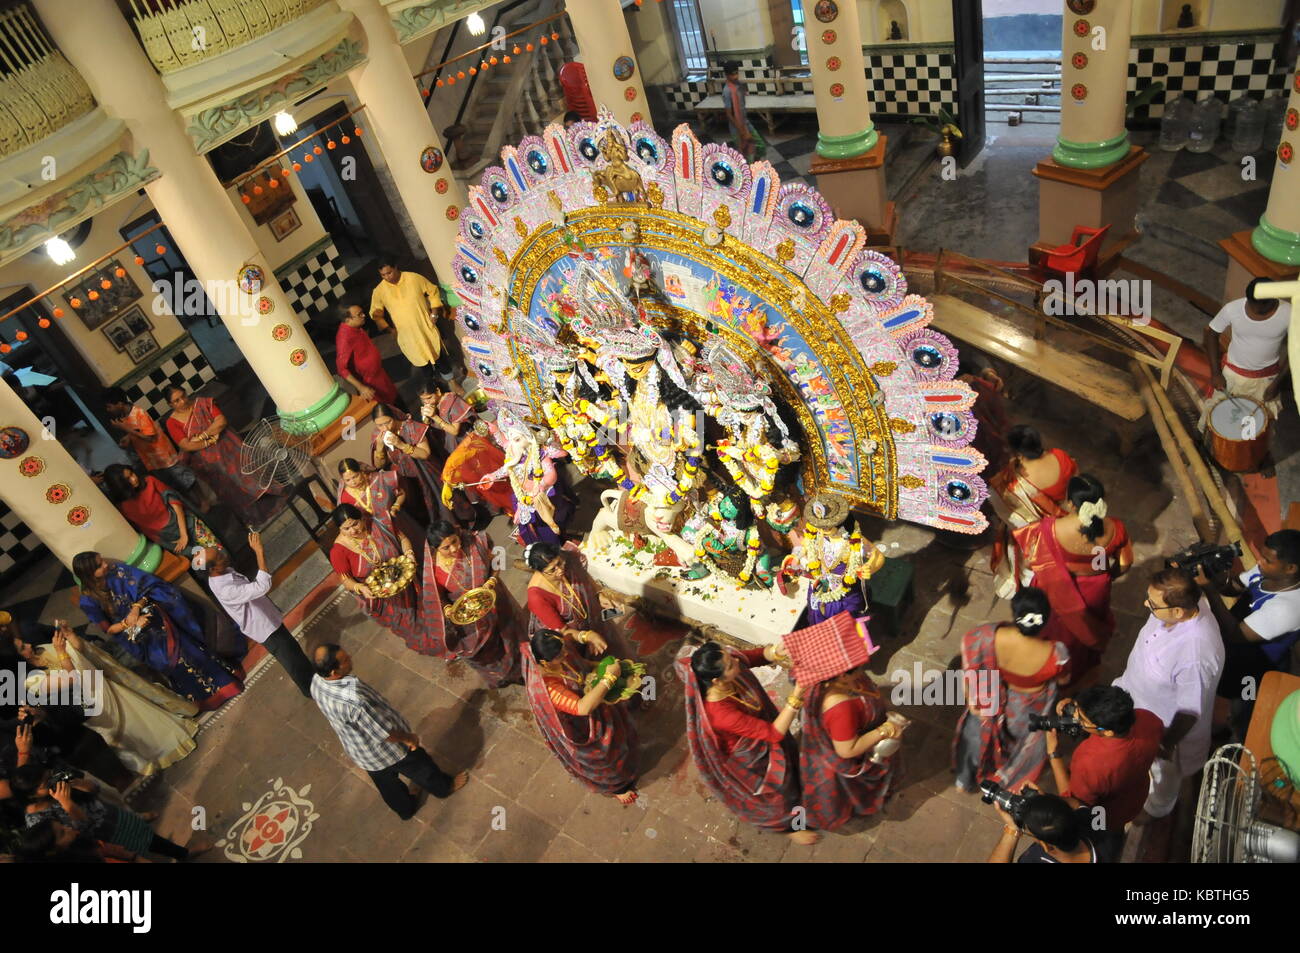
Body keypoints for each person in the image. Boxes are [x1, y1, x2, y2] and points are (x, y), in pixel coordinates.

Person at [679, 641, 818, 845]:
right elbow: (773, 733)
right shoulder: (720, 713)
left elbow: (752, 657)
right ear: (717, 681)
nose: (736, 660)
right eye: (730, 664)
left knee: (791, 765)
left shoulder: (730, 668)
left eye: (730, 657)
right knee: (779, 791)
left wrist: (775, 651)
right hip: (753, 756)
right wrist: (797, 696)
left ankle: (801, 791)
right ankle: (789, 826)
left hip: (764, 732)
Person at [16, 622, 198, 777]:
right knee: (130, 727)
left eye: (24, 642)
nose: (28, 645)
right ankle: (154, 756)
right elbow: (72, 678)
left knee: (138, 713)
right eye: (23, 647)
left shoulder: (42, 650)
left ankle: (170, 738)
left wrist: (70, 635)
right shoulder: (32, 680)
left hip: (103, 686)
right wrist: (60, 651)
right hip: (91, 705)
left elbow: (80, 654)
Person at [1112, 567, 1223, 820]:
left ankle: (1157, 809)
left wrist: (1166, 742)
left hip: (1165, 730)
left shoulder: (1195, 654)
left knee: (1163, 775)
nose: (1145, 604)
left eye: (1152, 603)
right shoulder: (1179, 607)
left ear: (1177, 612)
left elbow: (1190, 709)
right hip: (1136, 700)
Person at [311, 643, 468, 819]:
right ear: (334, 672)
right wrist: (408, 738)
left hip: (361, 752)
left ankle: (405, 809)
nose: (350, 659)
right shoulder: (353, 701)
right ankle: (444, 787)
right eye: (346, 660)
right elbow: (384, 733)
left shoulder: (317, 681)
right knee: (421, 766)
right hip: (386, 750)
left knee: (387, 786)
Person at [73, 551, 242, 712]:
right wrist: (130, 622)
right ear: (89, 574)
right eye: (99, 565)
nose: (106, 564)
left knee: (188, 650)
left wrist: (136, 608)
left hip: (157, 619)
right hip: (138, 636)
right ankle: (206, 698)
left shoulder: (119, 572)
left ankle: (226, 684)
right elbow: (109, 629)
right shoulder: (88, 601)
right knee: (172, 663)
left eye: (102, 560)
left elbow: (150, 587)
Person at [1013, 473, 1131, 684]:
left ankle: (1048, 667)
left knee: (1054, 631)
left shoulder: (1048, 528)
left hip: (1055, 589)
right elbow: (1125, 562)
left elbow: (1033, 562)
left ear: (1070, 502)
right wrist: (1107, 576)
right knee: (1083, 637)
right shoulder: (1116, 528)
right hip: (1095, 591)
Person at [953, 587, 1067, 792]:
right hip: (1027, 709)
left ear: (1015, 614)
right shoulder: (1056, 652)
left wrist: (972, 697)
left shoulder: (989, 636)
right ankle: (1005, 782)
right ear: (1045, 619)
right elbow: (1064, 678)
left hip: (991, 698)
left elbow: (971, 658)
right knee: (1022, 746)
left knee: (975, 737)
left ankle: (964, 781)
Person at [1042, 685, 1163, 854]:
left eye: (1082, 720)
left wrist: (1053, 754)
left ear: (1106, 732)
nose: (1076, 718)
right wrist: (1079, 706)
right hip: (1134, 799)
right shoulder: (1148, 719)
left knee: (1100, 838)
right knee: (1117, 830)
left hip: (1103, 817)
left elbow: (1077, 805)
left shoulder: (1090, 762)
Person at [523, 629, 638, 804]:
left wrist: (591, 643)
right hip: (581, 725)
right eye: (560, 655)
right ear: (545, 663)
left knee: (619, 738)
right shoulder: (548, 687)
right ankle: (617, 787)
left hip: (594, 703)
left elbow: (570, 639)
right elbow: (582, 708)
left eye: (564, 649)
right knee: (604, 757)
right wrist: (608, 678)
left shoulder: (556, 650)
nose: (566, 653)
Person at [1203, 530, 1300, 736]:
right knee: (1223, 692)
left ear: (1290, 568)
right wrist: (1216, 577)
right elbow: (1236, 587)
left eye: (1266, 559)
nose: (1259, 561)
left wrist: (1209, 589)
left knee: (1242, 710)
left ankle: (1238, 741)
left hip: (1255, 669)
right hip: (1235, 655)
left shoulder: (1288, 607)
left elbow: (1236, 635)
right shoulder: (1266, 571)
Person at [13, 763, 211, 861]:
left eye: (49, 777)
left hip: (113, 816)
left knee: (151, 837)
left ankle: (184, 853)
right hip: (107, 837)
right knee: (140, 851)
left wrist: (78, 783)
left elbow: (94, 790)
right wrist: (67, 804)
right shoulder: (38, 822)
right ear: (30, 795)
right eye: (42, 784)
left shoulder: (57, 787)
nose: (50, 783)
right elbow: (80, 831)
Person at [205, 532, 315, 697]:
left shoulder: (223, 571)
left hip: (267, 618)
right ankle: (311, 690)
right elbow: (262, 586)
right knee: (292, 660)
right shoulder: (225, 590)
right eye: (219, 557)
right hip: (265, 628)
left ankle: (314, 677)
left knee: (294, 651)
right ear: (212, 569)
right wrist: (259, 551)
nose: (223, 555)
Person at [800, 661, 904, 831]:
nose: (863, 666)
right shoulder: (841, 708)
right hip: (854, 754)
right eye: (859, 665)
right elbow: (847, 750)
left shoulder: (832, 679)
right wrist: (886, 729)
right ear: (842, 675)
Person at [164, 385, 286, 527]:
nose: (183, 401)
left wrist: (202, 436)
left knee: (249, 474)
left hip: (230, 448)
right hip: (209, 464)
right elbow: (186, 445)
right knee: (230, 488)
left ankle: (274, 502)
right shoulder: (172, 423)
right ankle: (254, 517)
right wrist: (209, 442)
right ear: (170, 404)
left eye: (183, 396)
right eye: (177, 401)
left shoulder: (202, 404)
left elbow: (221, 421)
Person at [421, 522, 522, 688]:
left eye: (454, 541)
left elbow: (498, 559)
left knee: (509, 636)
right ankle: (502, 675)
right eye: (446, 547)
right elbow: (437, 596)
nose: (454, 549)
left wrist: (492, 580)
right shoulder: (432, 570)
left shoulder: (476, 543)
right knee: (487, 651)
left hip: (495, 601)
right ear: (435, 549)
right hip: (470, 618)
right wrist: (447, 608)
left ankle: (519, 668)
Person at [988, 424, 1078, 595]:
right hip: (1065, 519)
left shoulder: (1014, 483)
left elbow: (1006, 509)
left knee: (1029, 561)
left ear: (1018, 453)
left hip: (1035, 532)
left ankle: (1032, 586)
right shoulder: (1060, 456)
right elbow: (1074, 479)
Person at [328, 504, 422, 651]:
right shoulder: (338, 551)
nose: (353, 530)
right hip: (383, 596)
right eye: (346, 529)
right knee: (411, 626)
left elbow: (402, 539)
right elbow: (346, 580)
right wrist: (359, 587)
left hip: (406, 578)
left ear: (362, 518)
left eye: (355, 524)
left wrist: (409, 553)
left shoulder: (379, 524)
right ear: (339, 529)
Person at [1202, 278, 1292, 424]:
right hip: (1232, 374)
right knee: (1220, 418)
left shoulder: (1290, 313)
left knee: (1259, 422)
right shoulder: (1232, 309)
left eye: (1263, 307)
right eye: (1253, 305)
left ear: (1274, 299)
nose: (1256, 311)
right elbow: (1211, 334)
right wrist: (1216, 372)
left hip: (1267, 378)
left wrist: (1278, 382)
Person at [102, 387, 206, 500]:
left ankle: (204, 501)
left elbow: (150, 438)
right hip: (151, 460)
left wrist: (126, 429)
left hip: (164, 455)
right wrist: (128, 437)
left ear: (120, 403)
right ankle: (194, 504)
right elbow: (138, 431)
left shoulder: (139, 413)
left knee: (185, 478)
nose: (108, 410)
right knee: (173, 485)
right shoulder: (123, 416)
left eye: (109, 406)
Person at [103, 463, 222, 559]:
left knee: (218, 554)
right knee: (204, 565)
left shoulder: (150, 481)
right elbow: (149, 532)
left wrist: (183, 534)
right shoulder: (123, 508)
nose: (134, 479)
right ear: (120, 486)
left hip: (188, 524)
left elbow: (176, 504)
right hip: (171, 541)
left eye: (132, 474)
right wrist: (179, 545)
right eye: (128, 479)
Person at [524, 542, 624, 646]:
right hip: (571, 637)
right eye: (552, 570)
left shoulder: (568, 559)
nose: (560, 570)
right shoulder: (536, 597)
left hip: (592, 619)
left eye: (559, 563)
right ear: (540, 572)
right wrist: (586, 636)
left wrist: (599, 595)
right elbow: (563, 631)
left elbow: (584, 577)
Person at [369, 262, 451, 377]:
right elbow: (375, 313)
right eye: (383, 275)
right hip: (407, 335)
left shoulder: (413, 278)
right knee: (422, 365)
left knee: (438, 356)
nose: (387, 277)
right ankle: (434, 389)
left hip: (425, 327)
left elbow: (433, 291)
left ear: (396, 267)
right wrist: (389, 329)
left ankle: (452, 382)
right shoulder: (379, 290)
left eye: (389, 273)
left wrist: (434, 313)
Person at [986, 790, 1116, 863]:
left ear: (1046, 846)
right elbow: (1078, 805)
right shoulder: (1100, 830)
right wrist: (1045, 803)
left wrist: (1012, 830)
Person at [371, 404, 446, 525]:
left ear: (394, 417)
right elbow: (379, 465)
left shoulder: (412, 428)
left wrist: (401, 445)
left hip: (426, 473)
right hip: (406, 479)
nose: (385, 428)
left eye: (388, 422)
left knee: (439, 503)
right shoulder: (379, 436)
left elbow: (425, 454)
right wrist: (379, 448)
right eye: (380, 425)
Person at [336, 303, 400, 406]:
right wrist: (361, 387)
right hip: (371, 384)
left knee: (396, 400)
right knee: (389, 409)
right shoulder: (344, 339)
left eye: (362, 312)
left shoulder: (357, 327)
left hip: (380, 375)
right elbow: (341, 370)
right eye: (359, 314)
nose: (364, 315)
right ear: (348, 320)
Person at [336, 458, 408, 546]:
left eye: (355, 476)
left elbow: (401, 493)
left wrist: (396, 506)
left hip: (397, 521)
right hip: (374, 534)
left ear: (361, 471)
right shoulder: (345, 498)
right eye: (348, 480)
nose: (353, 482)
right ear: (343, 480)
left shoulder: (377, 479)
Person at [722, 60, 765, 161]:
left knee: (760, 147)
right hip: (737, 128)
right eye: (733, 75)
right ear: (727, 75)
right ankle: (748, 173)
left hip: (746, 123)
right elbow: (729, 114)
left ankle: (754, 168)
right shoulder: (727, 91)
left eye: (737, 73)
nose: (736, 76)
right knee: (747, 156)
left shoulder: (738, 85)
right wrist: (742, 131)